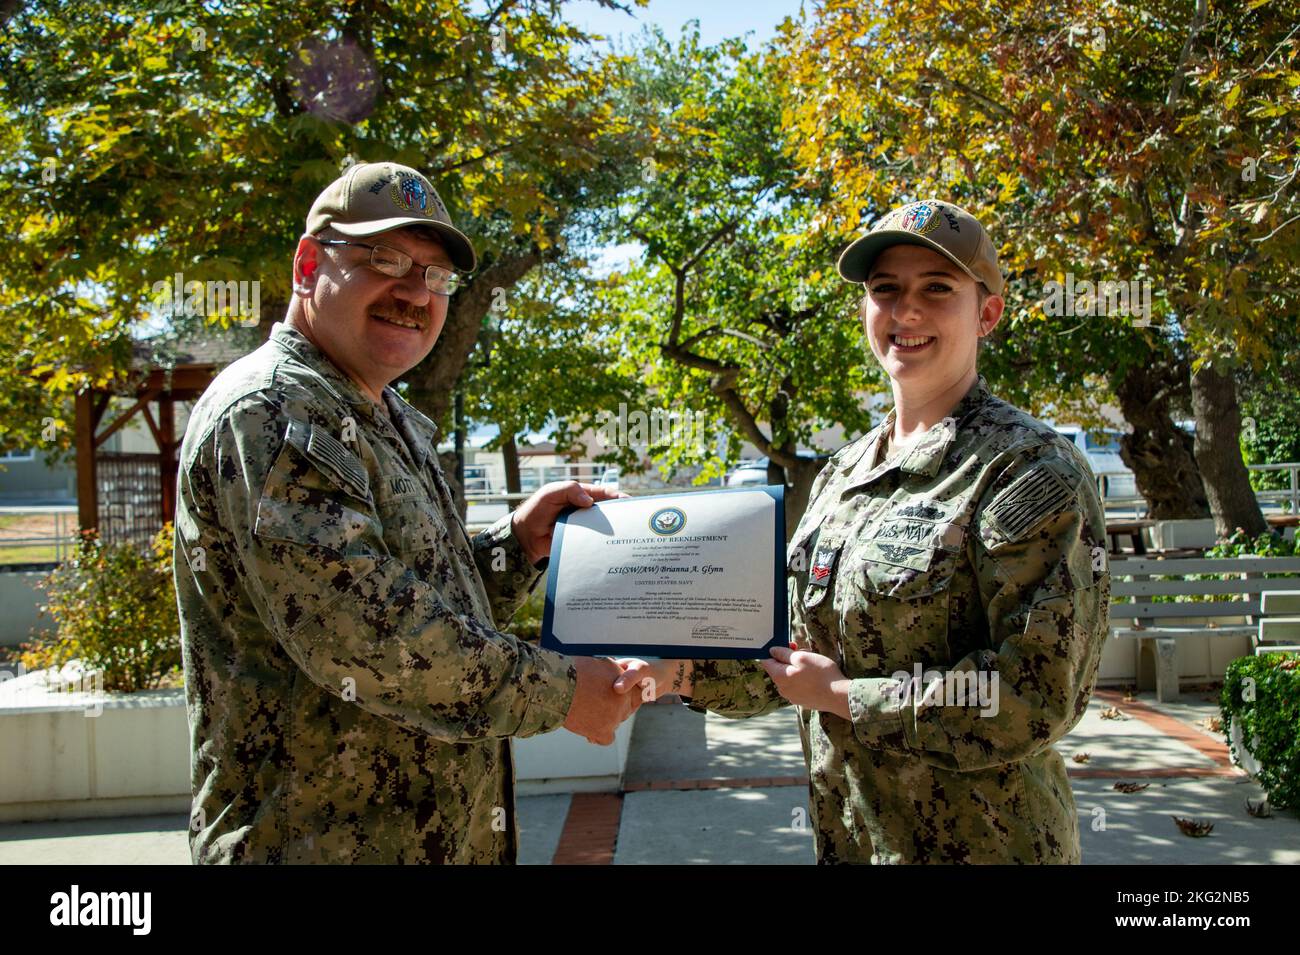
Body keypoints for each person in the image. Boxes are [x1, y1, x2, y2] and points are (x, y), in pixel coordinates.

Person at [618, 199, 1111, 864]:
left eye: (937, 288)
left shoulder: (1028, 469)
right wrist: (673, 672)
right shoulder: (844, 473)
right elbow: (793, 658)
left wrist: (845, 698)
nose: (907, 310)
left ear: (987, 314)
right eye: (886, 289)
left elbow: (1036, 694)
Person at [174, 161, 638, 864]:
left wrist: (516, 544)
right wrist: (565, 692)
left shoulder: (381, 414)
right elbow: (366, 634)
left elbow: (415, 592)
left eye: (435, 276)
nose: (414, 292)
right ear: (308, 266)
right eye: (384, 259)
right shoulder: (272, 410)